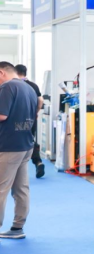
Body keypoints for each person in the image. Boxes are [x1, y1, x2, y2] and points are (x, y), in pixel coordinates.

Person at [0, 61, 39, 240]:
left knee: (1, 188)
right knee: (21, 188)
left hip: (9, 145)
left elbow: (2, 115)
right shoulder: (29, 88)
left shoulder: (7, 87)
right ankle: (18, 227)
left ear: (1, 73)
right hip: (25, 144)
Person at [15, 65, 44, 179]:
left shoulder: (13, 85)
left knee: (15, 142)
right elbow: (40, 100)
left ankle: (17, 169)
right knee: (30, 139)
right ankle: (38, 161)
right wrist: (35, 112)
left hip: (16, 120)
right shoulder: (33, 85)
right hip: (31, 119)